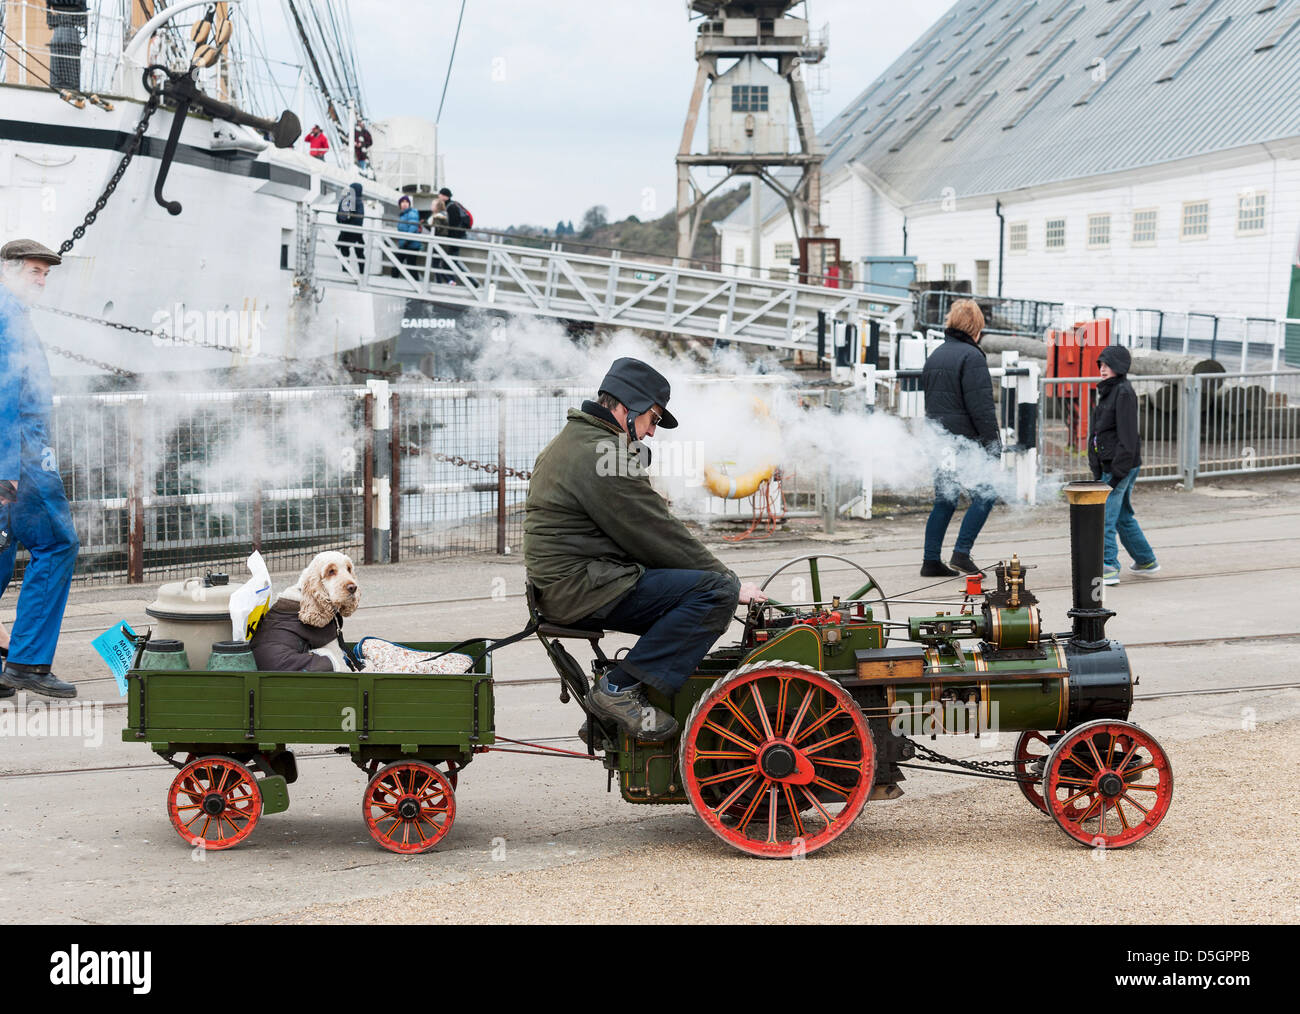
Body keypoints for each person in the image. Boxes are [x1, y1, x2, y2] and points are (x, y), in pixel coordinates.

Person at [523, 357, 767, 740]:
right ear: (626, 407)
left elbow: (643, 533)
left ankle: (610, 718)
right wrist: (731, 584)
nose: (652, 432)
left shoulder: (580, 440)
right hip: (581, 586)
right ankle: (618, 692)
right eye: (652, 419)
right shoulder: (602, 454)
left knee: (689, 597)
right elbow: (656, 533)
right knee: (712, 595)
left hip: (573, 583)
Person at [0, 239, 79, 699]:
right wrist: (6, 470)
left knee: (3, 552)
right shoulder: (8, 316)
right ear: (8, 271)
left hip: (15, 453)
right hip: (21, 454)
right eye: (35, 273)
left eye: (46, 275)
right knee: (57, 543)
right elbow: (4, 396)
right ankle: (27, 662)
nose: (43, 282)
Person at [919, 299, 1001, 577]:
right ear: (976, 326)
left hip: (939, 440)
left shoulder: (936, 355)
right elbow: (981, 407)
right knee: (986, 494)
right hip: (963, 442)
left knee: (944, 499)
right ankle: (961, 553)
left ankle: (931, 560)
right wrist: (993, 445)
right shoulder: (972, 356)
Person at [1089, 344, 1159, 585]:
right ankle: (1146, 560)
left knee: (1106, 515)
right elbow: (1100, 431)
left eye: (1108, 365)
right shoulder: (1109, 391)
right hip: (1114, 465)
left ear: (1119, 367)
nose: (1103, 368)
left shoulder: (1124, 393)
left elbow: (1128, 437)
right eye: (1101, 364)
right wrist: (1097, 465)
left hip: (1120, 466)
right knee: (1122, 516)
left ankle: (1108, 566)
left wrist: (1116, 474)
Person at [335, 181, 366, 277]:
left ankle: (346, 271)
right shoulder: (359, 202)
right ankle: (362, 273)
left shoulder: (347, 200)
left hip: (346, 231)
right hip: (356, 232)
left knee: (344, 250)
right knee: (359, 252)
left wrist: (344, 222)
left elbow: (340, 218)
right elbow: (358, 219)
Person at [395, 194, 423, 272]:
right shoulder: (403, 215)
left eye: (407, 202)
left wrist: (406, 240)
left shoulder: (412, 213)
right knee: (409, 265)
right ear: (400, 205)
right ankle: (416, 282)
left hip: (410, 244)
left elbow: (413, 227)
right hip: (406, 243)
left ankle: (394, 280)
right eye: (402, 202)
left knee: (405, 265)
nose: (404, 203)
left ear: (409, 204)